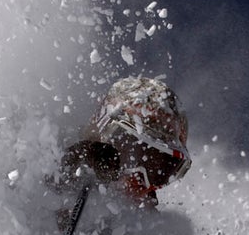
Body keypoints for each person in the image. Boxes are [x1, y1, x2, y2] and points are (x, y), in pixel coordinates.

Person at [57, 76, 191, 206]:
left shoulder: (146, 216)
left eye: (156, 170)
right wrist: (66, 172)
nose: (136, 182)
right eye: (126, 154)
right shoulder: (53, 153)